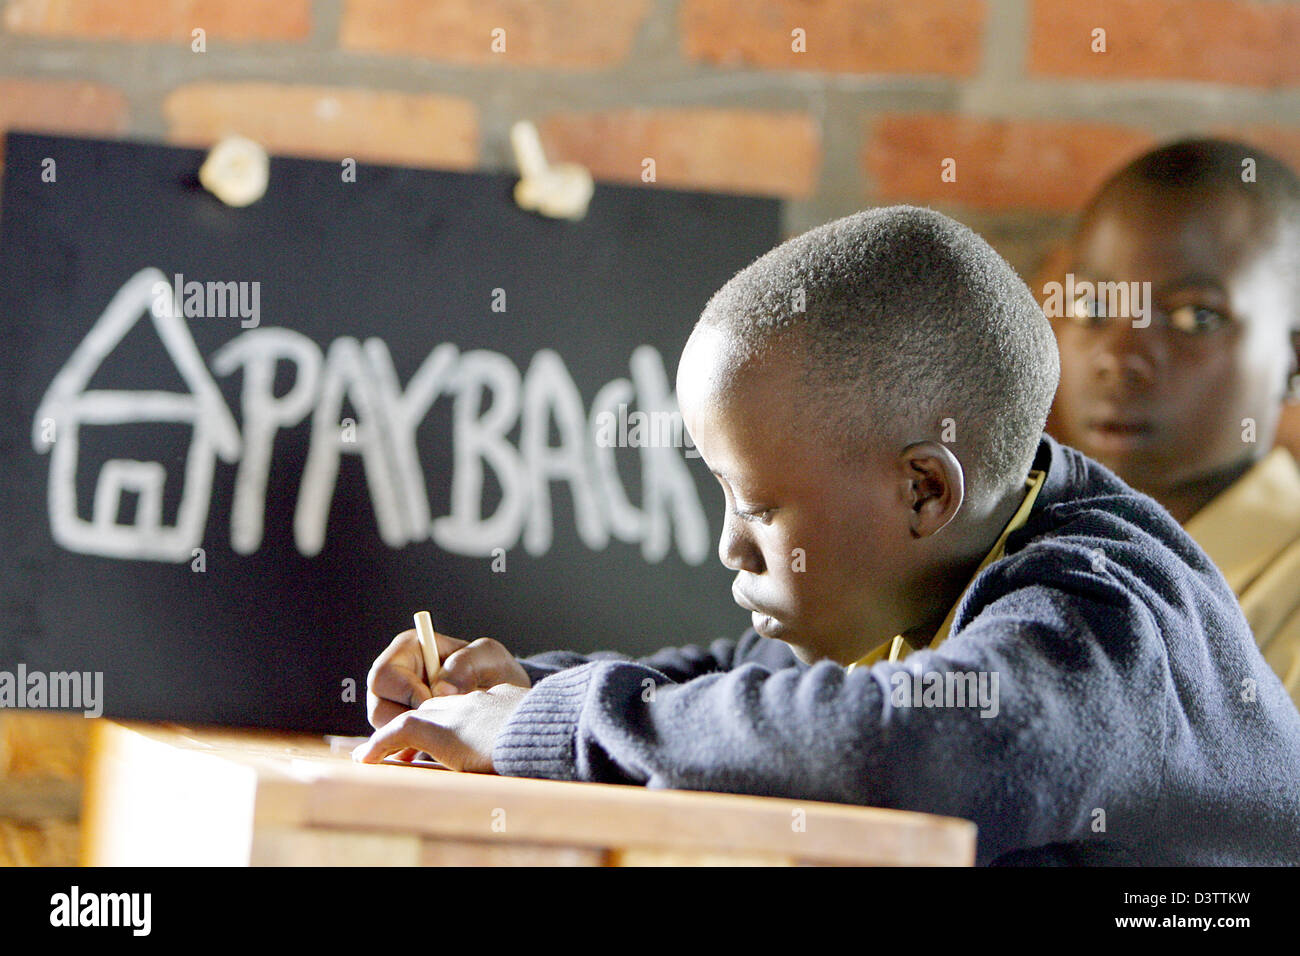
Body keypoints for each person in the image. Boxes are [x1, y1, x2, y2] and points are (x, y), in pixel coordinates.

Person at [356, 206, 1300, 865]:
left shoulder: (1104, 617)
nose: (731, 546)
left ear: (924, 491)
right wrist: (529, 688)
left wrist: (541, 730)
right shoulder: (974, 543)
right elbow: (755, 687)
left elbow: (898, 747)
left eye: (758, 508)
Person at [1046, 138, 1300, 706]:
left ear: (1293, 359)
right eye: (1092, 307)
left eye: (1193, 317)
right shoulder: (998, 547)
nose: (1120, 356)